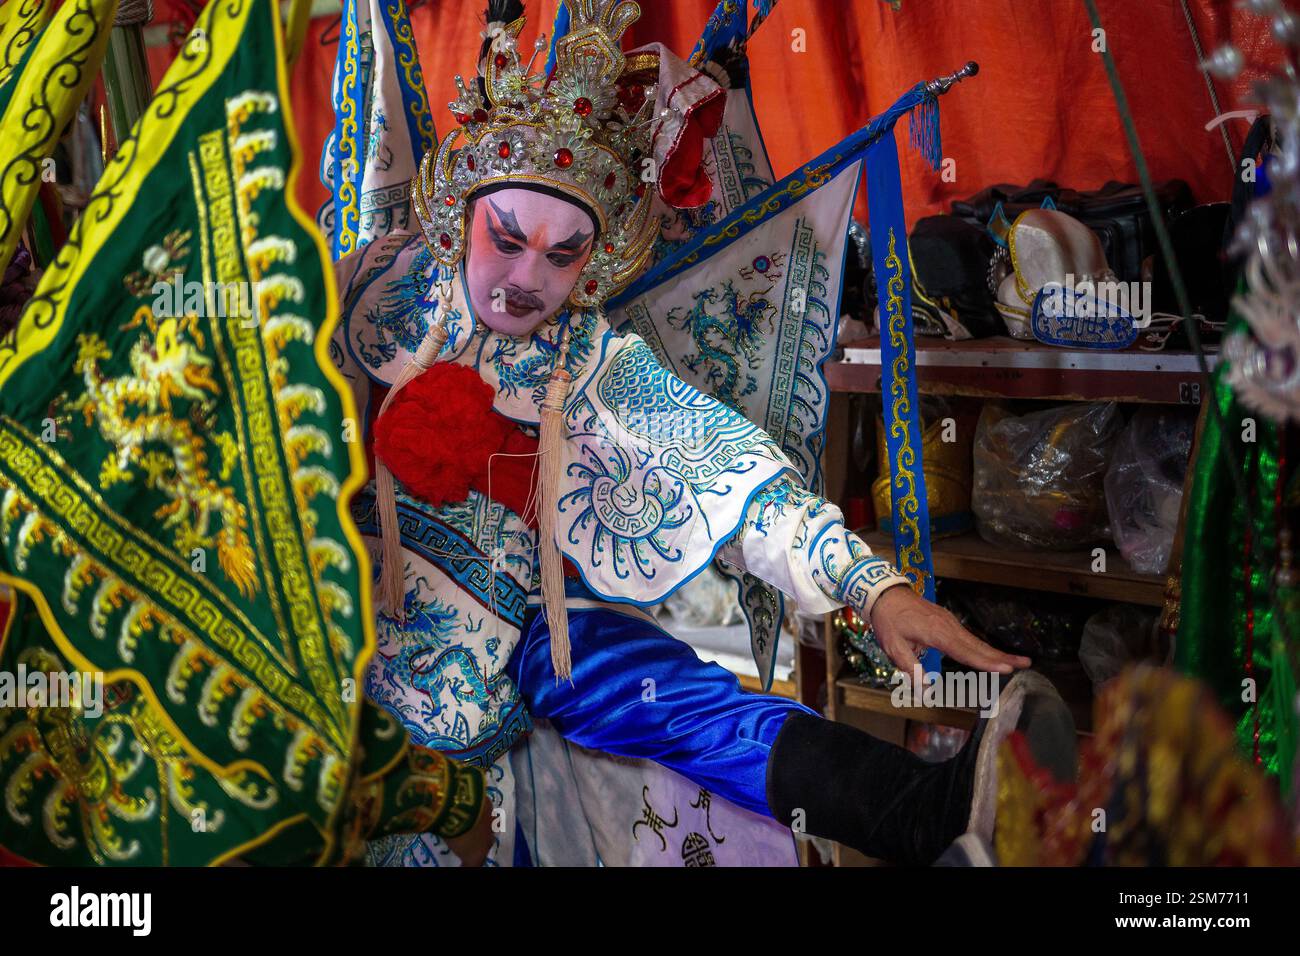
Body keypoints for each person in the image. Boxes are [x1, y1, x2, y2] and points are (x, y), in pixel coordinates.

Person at [336, 0, 1075, 867]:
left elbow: (737, 479)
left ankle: (924, 811)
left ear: (593, 263)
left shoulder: (591, 360)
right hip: (335, 602)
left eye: (563, 255)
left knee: (671, 690)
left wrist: (876, 592)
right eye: (506, 240)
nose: (526, 280)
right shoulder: (371, 286)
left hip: (514, 631)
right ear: (462, 215)